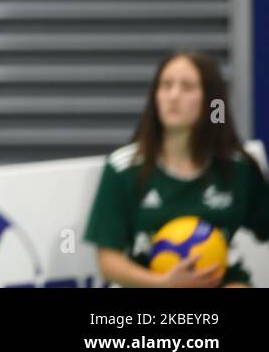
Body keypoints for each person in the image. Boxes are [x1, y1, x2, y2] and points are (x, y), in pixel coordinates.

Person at [85, 51, 269, 286]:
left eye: (187, 87)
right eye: (166, 85)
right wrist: (163, 283)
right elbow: (108, 261)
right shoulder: (124, 168)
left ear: (212, 100)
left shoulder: (237, 167)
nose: (173, 96)